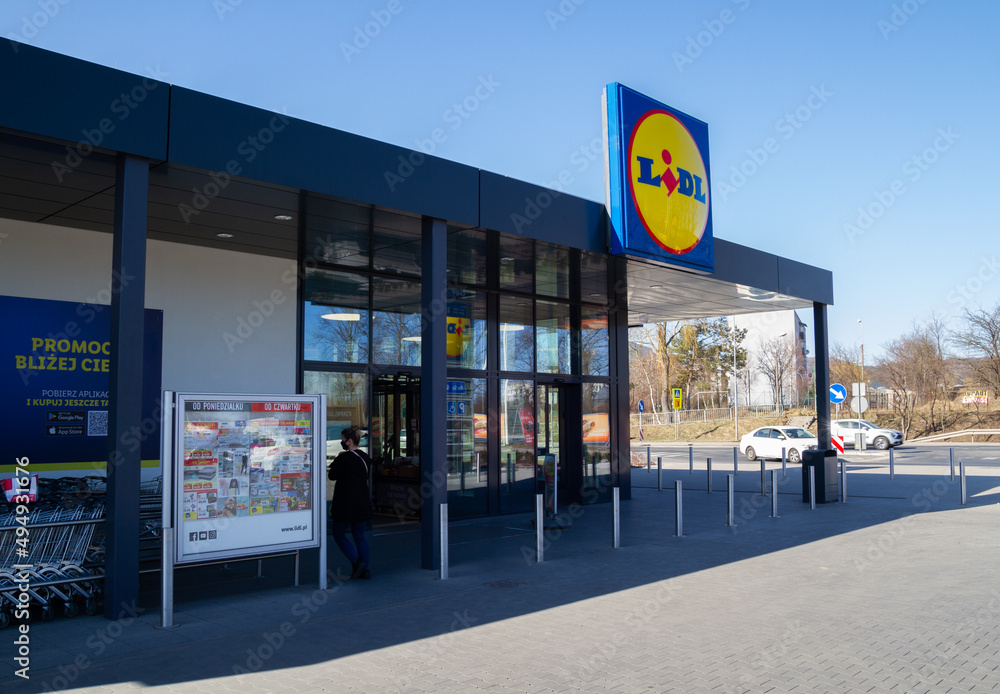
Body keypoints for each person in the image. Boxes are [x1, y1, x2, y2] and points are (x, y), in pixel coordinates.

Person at [328, 426, 373, 579]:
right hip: (361, 502)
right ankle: (365, 569)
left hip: (345, 503)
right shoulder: (365, 458)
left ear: (349, 441)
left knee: (338, 533)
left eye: (342, 440)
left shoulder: (343, 458)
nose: (341, 442)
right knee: (359, 536)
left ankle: (356, 562)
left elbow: (332, 475)